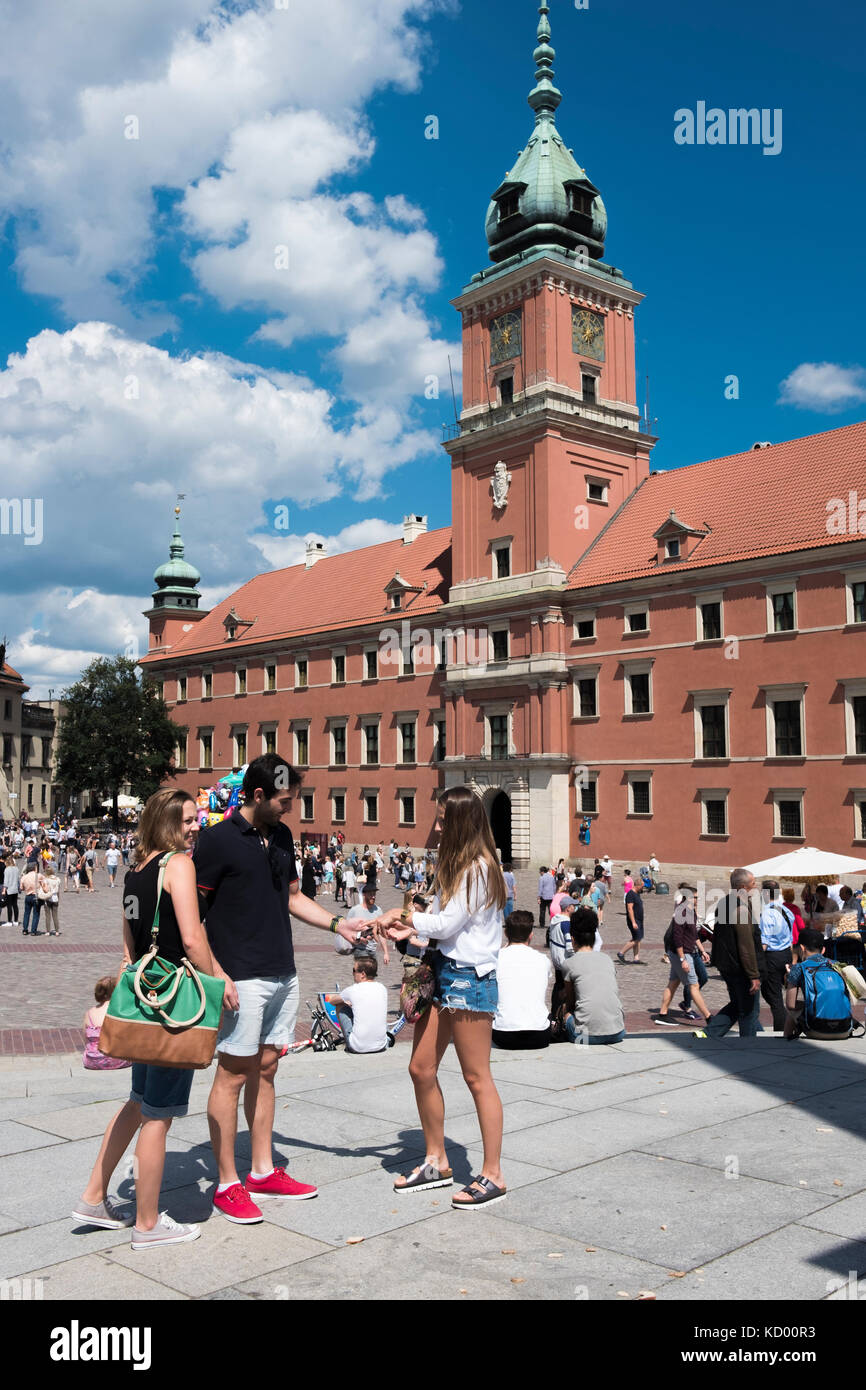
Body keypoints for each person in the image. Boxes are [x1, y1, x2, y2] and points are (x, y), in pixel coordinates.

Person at [194, 754, 362, 1225]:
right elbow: (195, 915)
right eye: (286, 800)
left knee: (266, 1069)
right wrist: (215, 972)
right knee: (231, 1074)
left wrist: (338, 923)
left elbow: (291, 897)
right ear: (259, 794)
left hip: (282, 972)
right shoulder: (217, 840)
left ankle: (263, 1171)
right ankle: (227, 1182)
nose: (293, 808)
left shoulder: (282, 836)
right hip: (239, 977)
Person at [73, 788, 216, 1247]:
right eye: (189, 820)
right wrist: (217, 985)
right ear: (167, 822)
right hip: (173, 1004)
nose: (196, 827)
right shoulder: (178, 864)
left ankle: (95, 1195)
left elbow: (129, 950)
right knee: (158, 1114)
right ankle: (149, 1224)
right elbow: (192, 940)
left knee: (138, 1102)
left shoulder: (136, 871)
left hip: (143, 996)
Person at [378, 786, 507, 1209]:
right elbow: (440, 924)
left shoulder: (479, 868)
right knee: (421, 1067)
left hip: (471, 979)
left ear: (460, 823)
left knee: (476, 1077)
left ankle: (493, 1174)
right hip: (444, 973)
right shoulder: (455, 867)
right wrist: (411, 928)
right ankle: (437, 1159)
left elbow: (449, 922)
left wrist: (402, 917)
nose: (435, 826)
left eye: (441, 819)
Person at [697, 868, 764, 1038]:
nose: (756, 887)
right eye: (753, 884)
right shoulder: (740, 909)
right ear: (743, 886)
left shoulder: (724, 902)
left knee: (736, 1003)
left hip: (726, 964)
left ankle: (709, 1033)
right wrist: (753, 975)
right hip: (740, 968)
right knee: (749, 1011)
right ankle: (748, 1048)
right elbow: (746, 945)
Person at [561, 909, 626, 1045]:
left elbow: (571, 1002)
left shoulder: (569, 964)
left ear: (573, 939)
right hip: (618, 1032)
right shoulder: (607, 959)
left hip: (584, 1037)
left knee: (564, 1011)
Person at [492, 910, 552, 1050]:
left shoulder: (496, 959)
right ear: (531, 934)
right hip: (540, 1035)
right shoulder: (543, 960)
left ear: (506, 934)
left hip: (504, 1035)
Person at [652, 886, 712, 1027]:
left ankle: (662, 1014)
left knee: (673, 983)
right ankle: (709, 1018)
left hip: (686, 952)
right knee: (694, 985)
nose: (698, 899)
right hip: (682, 953)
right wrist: (682, 959)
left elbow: (693, 935)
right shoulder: (681, 912)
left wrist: (703, 951)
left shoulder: (692, 912)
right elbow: (677, 938)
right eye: (696, 897)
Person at [784, 928, 855, 1040]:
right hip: (844, 1029)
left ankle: (786, 1039)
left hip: (816, 1029)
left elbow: (790, 1004)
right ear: (823, 950)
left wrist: (811, 1002)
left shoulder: (798, 968)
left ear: (802, 948)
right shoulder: (837, 966)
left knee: (791, 1011)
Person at [326, 956, 389, 1053]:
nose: (352, 973)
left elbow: (332, 1001)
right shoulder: (382, 988)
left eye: (354, 970)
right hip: (381, 1046)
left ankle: (348, 1040)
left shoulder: (353, 990)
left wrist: (344, 1001)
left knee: (340, 1006)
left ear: (363, 974)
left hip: (358, 1047)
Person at [758, 879, 795, 1032]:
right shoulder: (787, 911)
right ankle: (786, 1021)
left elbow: (764, 943)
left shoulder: (767, 914)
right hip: (785, 954)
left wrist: (756, 961)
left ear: (765, 894)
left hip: (772, 957)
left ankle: (781, 1030)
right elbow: (791, 938)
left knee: (773, 997)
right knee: (775, 994)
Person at [83, 976, 132, 1071]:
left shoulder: (89, 1013)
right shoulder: (121, 1011)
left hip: (93, 1062)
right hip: (119, 1060)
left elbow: (85, 1039)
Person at [617, 881, 645, 965]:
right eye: (642, 887)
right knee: (636, 939)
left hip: (639, 920)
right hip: (634, 920)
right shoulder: (630, 894)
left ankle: (636, 958)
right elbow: (630, 909)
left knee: (638, 938)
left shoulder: (637, 893)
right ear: (638, 885)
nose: (642, 888)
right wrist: (633, 922)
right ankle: (621, 953)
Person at [39, 861, 61, 935]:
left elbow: (46, 890)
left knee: (47, 916)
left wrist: (41, 885)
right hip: (55, 898)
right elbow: (58, 891)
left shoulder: (46, 879)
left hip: (48, 898)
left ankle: (48, 931)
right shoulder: (57, 879)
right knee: (55, 916)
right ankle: (57, 931)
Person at [20, 862, 42, 936]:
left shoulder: (24, 877)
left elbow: (21, 888)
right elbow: (44, 885)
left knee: (26, 913)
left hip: (28, 896)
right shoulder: (39, 876)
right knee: (36, 914)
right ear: (34, 868)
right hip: (36, 896)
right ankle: (33, 930)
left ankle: (25, 929)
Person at [2, 855, 19, 924]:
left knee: (9, 906)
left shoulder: (7, 869)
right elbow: (18, 879)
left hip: (9, 889)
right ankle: (16, 921)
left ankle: (9, 921)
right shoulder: (16, 869)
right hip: (15, 889)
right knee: (15, 905)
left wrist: (4, 890)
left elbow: (6, 881)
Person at [537, 865, 555, 931]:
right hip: (551, 896)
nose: (539, 873)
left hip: (544, 896)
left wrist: (538, 897)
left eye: (540, 871)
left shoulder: (541, 878)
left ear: (542, 872)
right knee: (551, 911)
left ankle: (542, 924)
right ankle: (553, 923)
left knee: (542, 910)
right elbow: (554, 887)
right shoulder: (551, 877)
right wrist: (554, 894)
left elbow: (540, 889)